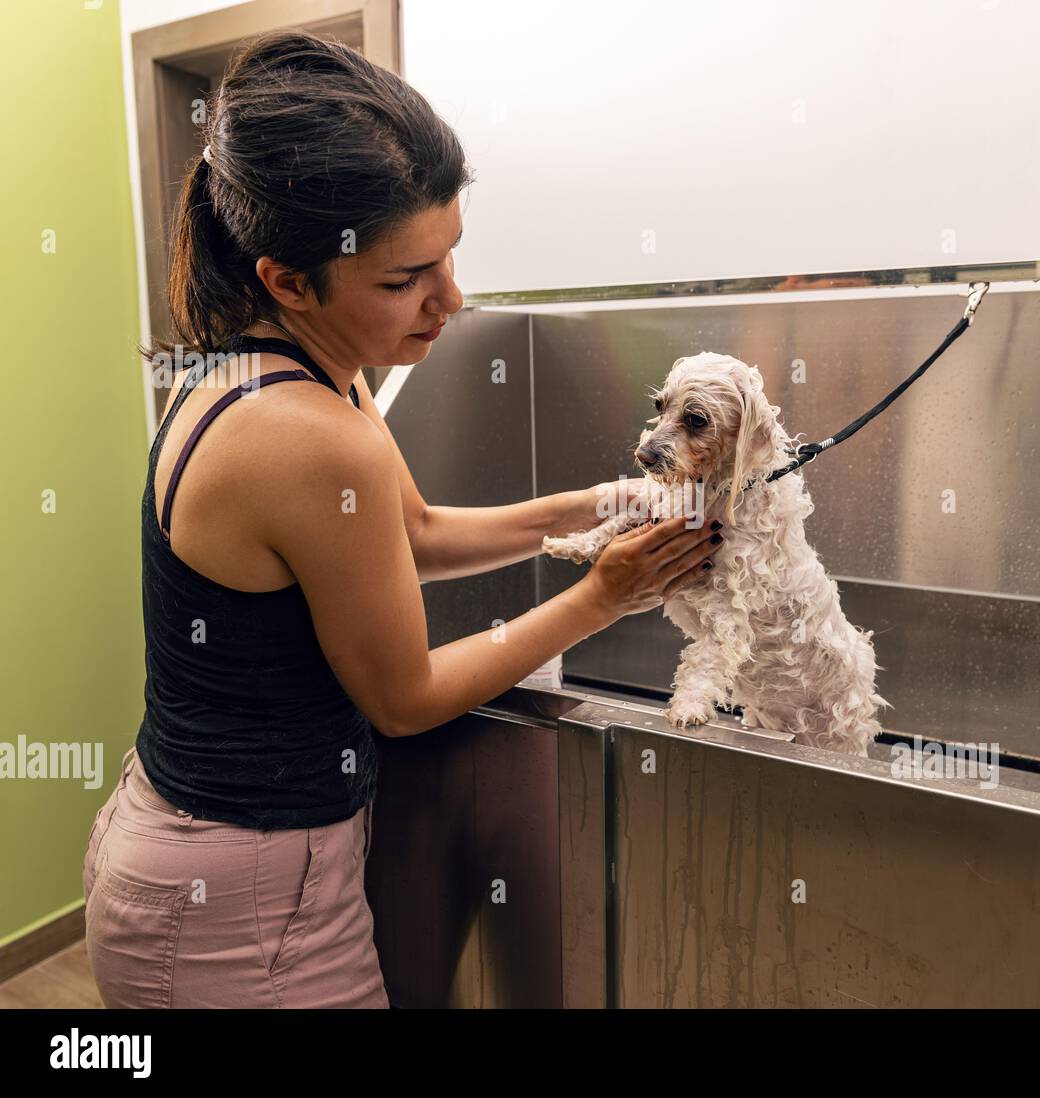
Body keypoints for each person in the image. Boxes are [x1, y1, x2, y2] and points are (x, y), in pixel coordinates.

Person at [82, 28, 723, 1008]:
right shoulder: (300, 431)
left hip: (213, 855)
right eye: (403, 280)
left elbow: (410, 534)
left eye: (449, 256)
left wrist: (595, 505)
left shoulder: (291, 367)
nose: (450, 300)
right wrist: (605, 595)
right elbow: (405, 697)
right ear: (288, 281)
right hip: (234, 904)